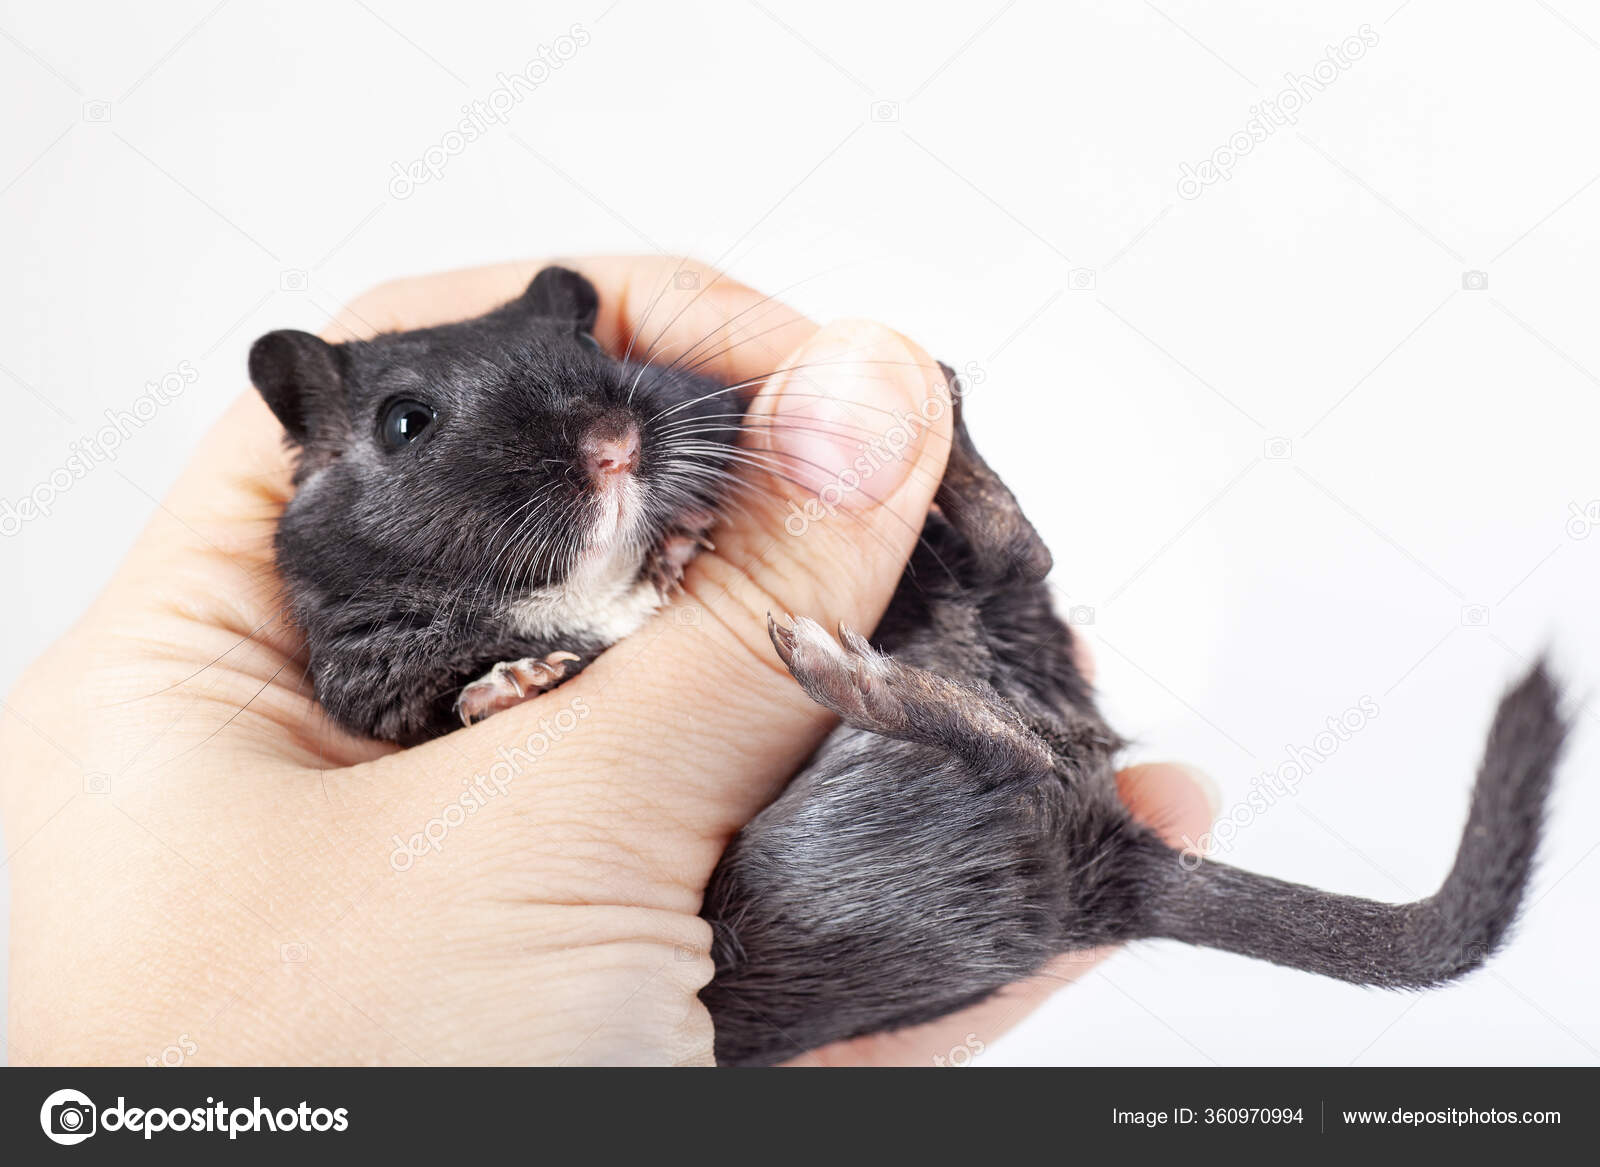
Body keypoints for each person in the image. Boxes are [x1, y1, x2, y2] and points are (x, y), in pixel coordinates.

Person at [0, 256, 1216, 1066]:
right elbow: (392, 712)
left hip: (948, 785)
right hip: (838, 890)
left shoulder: (669, 459)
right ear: (317, 431)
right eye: (412, 424)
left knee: (956, 607)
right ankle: (999, 760)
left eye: (593, 382)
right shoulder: (351, 603)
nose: (602, 438)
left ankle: (1001, 718)